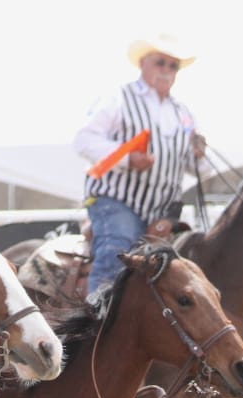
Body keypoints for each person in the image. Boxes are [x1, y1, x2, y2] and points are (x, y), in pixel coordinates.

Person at [74, 32, 206, 295]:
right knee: (117, 251)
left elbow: (200, 169)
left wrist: (199, 153)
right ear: (143, 63)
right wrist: (127, 159)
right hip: (116, 202)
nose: (166, 70)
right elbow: (84, 141)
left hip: (163, 212)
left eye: (173, 65)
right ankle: (96, 313)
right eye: (160, 62)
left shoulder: (184, 113)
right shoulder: (118, 98)